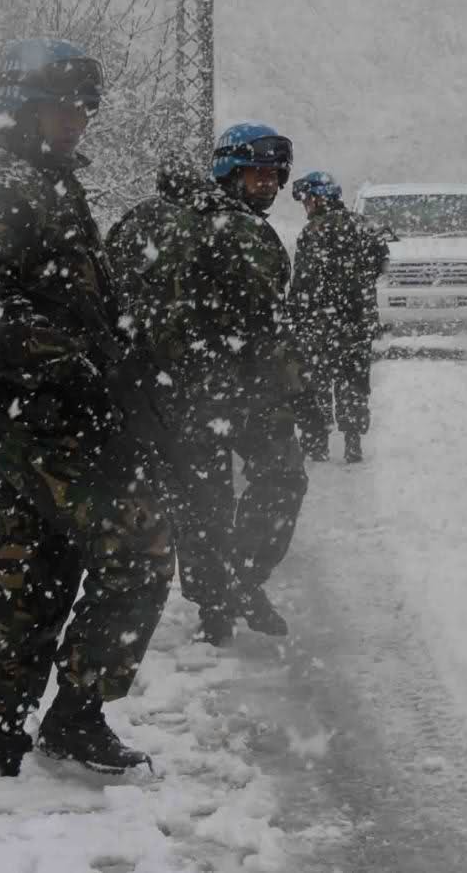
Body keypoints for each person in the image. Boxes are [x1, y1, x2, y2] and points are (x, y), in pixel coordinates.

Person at [0, 38, 174, 778]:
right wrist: (74, 369)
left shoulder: (42, 180)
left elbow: (67, 293)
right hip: (48, 415)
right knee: (136, 554)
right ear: (24, 106)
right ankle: (69, 719)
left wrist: (122, 351)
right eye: (63, 108)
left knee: (33, 564)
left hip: (62, 414)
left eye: (83, 110)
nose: (78, 122)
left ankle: (2, 736)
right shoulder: (1, 183)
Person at [104, 124, 309, 645]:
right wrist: (290, 381)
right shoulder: (239, 229)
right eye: (258, 174)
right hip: (231, 385)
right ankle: (239, 581)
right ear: (227, 172)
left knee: (203, 498)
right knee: (274, 480)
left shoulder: (146, 217)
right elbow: (262, 321)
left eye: (274, 177)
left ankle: (217, 602)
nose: (269, 186)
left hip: (168, 389)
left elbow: (108, 288)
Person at [288, 171, 389, 463]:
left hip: (320, 324)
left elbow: (302, 281)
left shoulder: (312, 233)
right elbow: (379, 266)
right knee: (353, 381)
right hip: (357, 323)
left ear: (321, 199)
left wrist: (294, 313)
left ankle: (317, 444)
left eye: (307, 200)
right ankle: (353, 440)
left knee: (318, 383)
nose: (306, 206)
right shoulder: (363, 226)